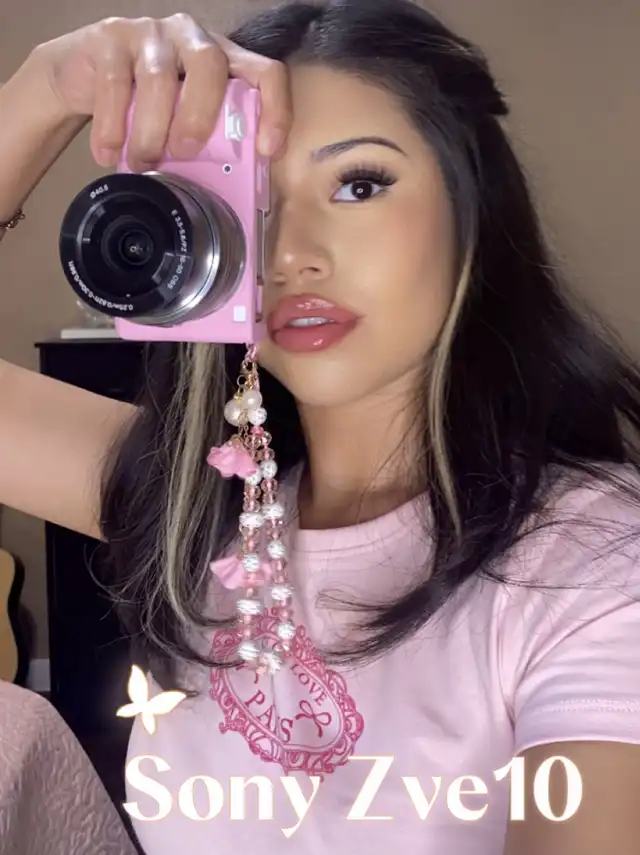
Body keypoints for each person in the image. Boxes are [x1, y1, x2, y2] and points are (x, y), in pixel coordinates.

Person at [1, 0, 640, 852]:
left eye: (359, 184)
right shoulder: (195, 514)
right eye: (250, 199)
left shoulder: (594, 564)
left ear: (473, 208)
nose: (291, 250)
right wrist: (43, 89)